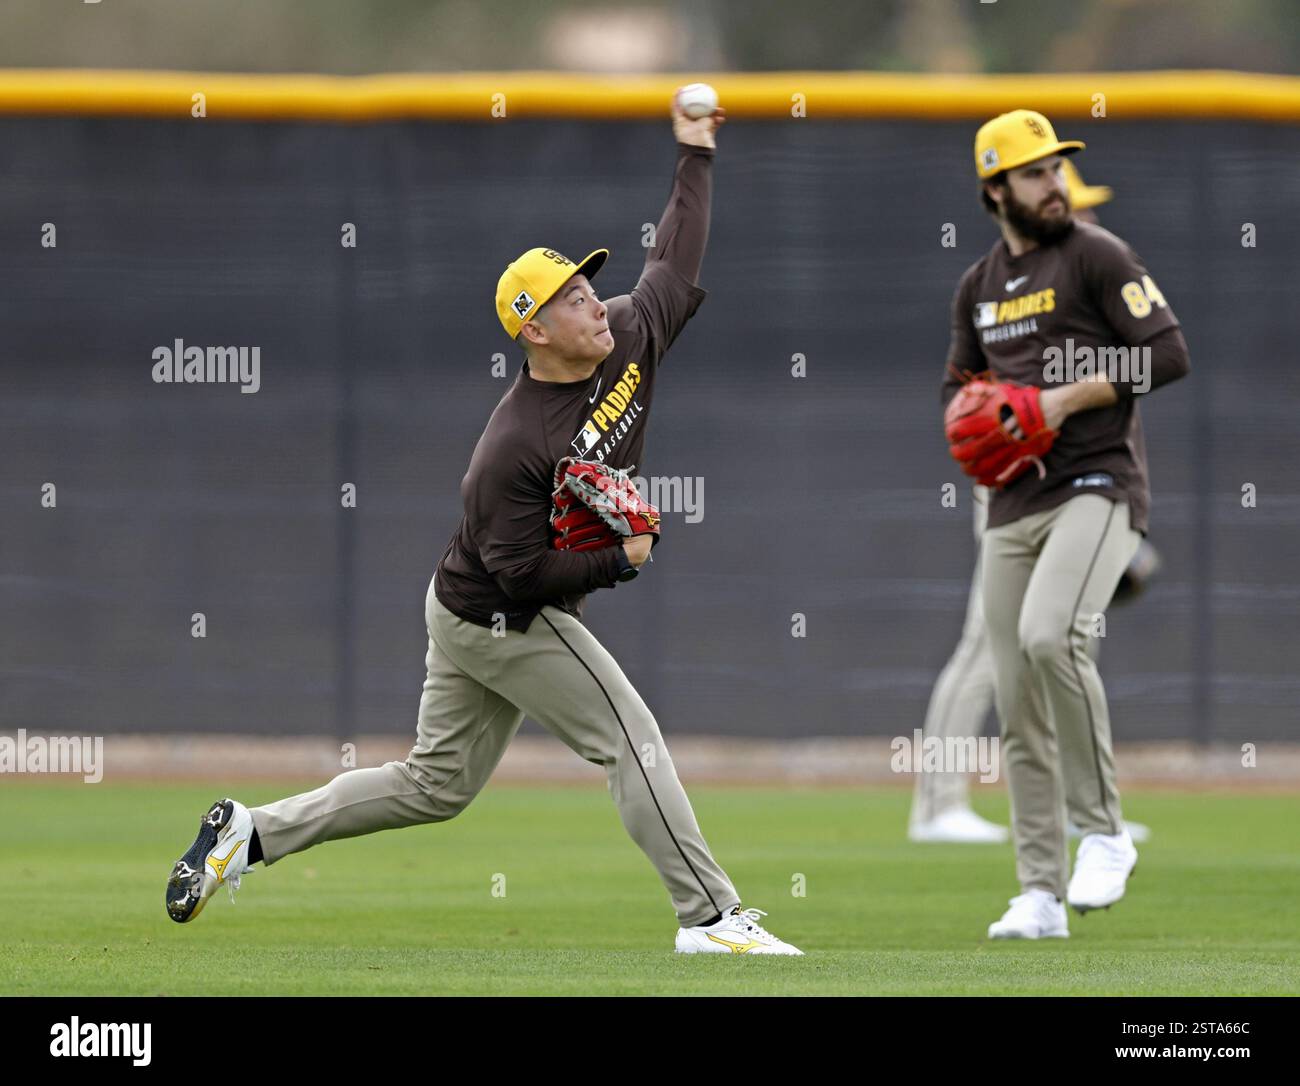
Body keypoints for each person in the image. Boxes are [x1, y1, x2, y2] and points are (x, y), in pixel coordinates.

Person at [164, 90, 802, 956]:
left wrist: (695, 154)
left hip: (462, 608)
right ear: (534, 329)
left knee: (435, 785)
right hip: (503, 612)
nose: (594, 301)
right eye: (573, 297)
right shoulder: (513, 446)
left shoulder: (627, 332)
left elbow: (675, 262)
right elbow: (522, 577)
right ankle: (711, 919)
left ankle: (252, 831)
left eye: (589, 285)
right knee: (630, 738)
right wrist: (622, 560)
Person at [940, 110, 1189, 938]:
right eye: (1036, 172)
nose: (1055, 183)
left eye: (1057, 168)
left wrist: (1059, 400)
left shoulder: (1096, 253)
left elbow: (1166, 353)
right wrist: (979, 422)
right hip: (1015, 503)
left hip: (1098, 480)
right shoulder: (978, 287)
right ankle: (1041, 894)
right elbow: (957, 393)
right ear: (996, 189)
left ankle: (1106, 832)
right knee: (1016, 699)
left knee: (1054, 638)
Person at [909, 159, 1155, 847]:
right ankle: (937, 802)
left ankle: (1081, 809)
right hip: (1016, 488)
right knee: (991, 647)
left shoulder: (1092, 273)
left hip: (1078, 489)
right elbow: (977, 400)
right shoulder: (1010, 285)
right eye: (1076, 202)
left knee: (1066, 642)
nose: (1085, 214)